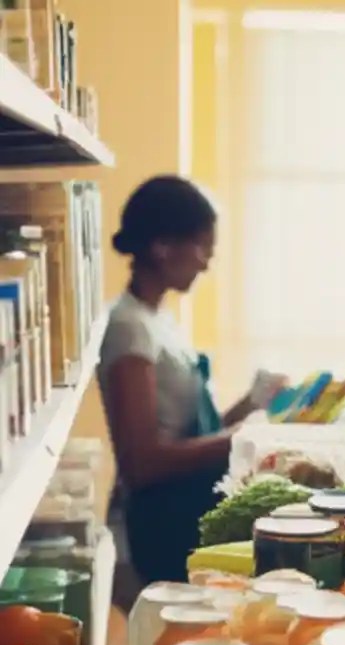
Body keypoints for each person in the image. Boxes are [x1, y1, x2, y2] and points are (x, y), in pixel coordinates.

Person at [99, 176, 285, 588]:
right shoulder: (129, 328)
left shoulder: (160, 319)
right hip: (153, 525)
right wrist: (239, 437)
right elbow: (142, 462)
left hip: (184, 506)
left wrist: (256, 402)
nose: (205, 262)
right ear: (162, 246)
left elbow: (191, 429)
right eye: (202, 247)